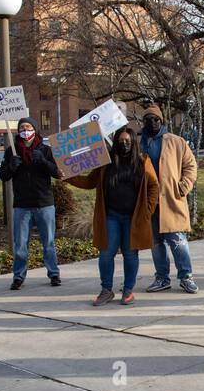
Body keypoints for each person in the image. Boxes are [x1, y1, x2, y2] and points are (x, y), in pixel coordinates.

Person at [66, 125, 159, 306]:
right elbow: (88, 182)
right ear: (115, 142)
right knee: (106, 254)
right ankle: (106, 290)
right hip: (111, 217)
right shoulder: (105, 163)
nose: (124, 144)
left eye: (127, 141)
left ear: (133, 143)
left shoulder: (142, 161)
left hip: (133, 218)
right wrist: (68, 176)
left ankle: (128, 290)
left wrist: (148, 210)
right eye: (120, 141)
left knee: (130, 255)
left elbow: (153, 186)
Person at [138, 105, 199, 293]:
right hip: (149, 201)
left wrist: (183, 187)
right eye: (148, 119)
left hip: (171, 198)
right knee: (156, 243)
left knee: (178, 240)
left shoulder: (176, 141)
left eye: (156, 119)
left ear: (162, 121)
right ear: (144, 122)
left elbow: (190, 165)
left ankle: (186, 276)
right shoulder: (138, 143)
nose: (153, 123)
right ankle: (162, 278)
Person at [0, 117, 62, 291]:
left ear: (34, 129)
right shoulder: (11, 151)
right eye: (21, 128)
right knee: (20, 244)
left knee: (48, 241)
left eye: (28, 127)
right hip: (22, 205)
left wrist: (42, 160)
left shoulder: (45, 149)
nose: (25, 130)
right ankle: (18, 276)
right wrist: (11, 166)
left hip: (44, 203)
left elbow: (58, 172)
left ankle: (54, 273)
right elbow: (3, 175)